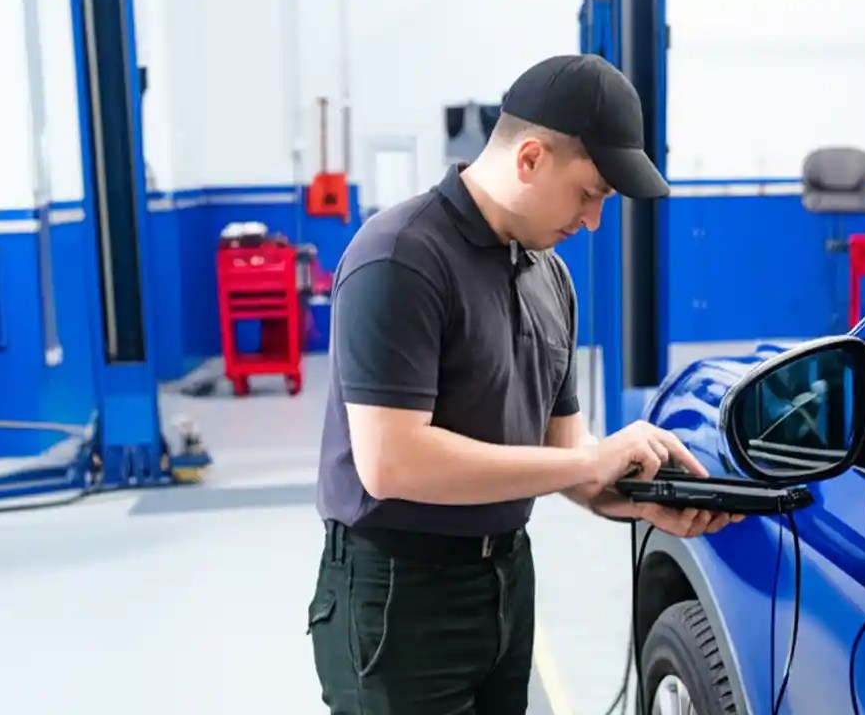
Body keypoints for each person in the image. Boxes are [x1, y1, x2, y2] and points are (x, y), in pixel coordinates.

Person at [307, 53, 744, 714]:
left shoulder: (549, 279)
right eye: (590, 193)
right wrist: (586, 459)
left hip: (507, 578)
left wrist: (637, 495)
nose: (593, 220)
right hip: (398, 594)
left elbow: (564, 455)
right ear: (531, 158)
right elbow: (390, 462)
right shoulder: (399, 257)